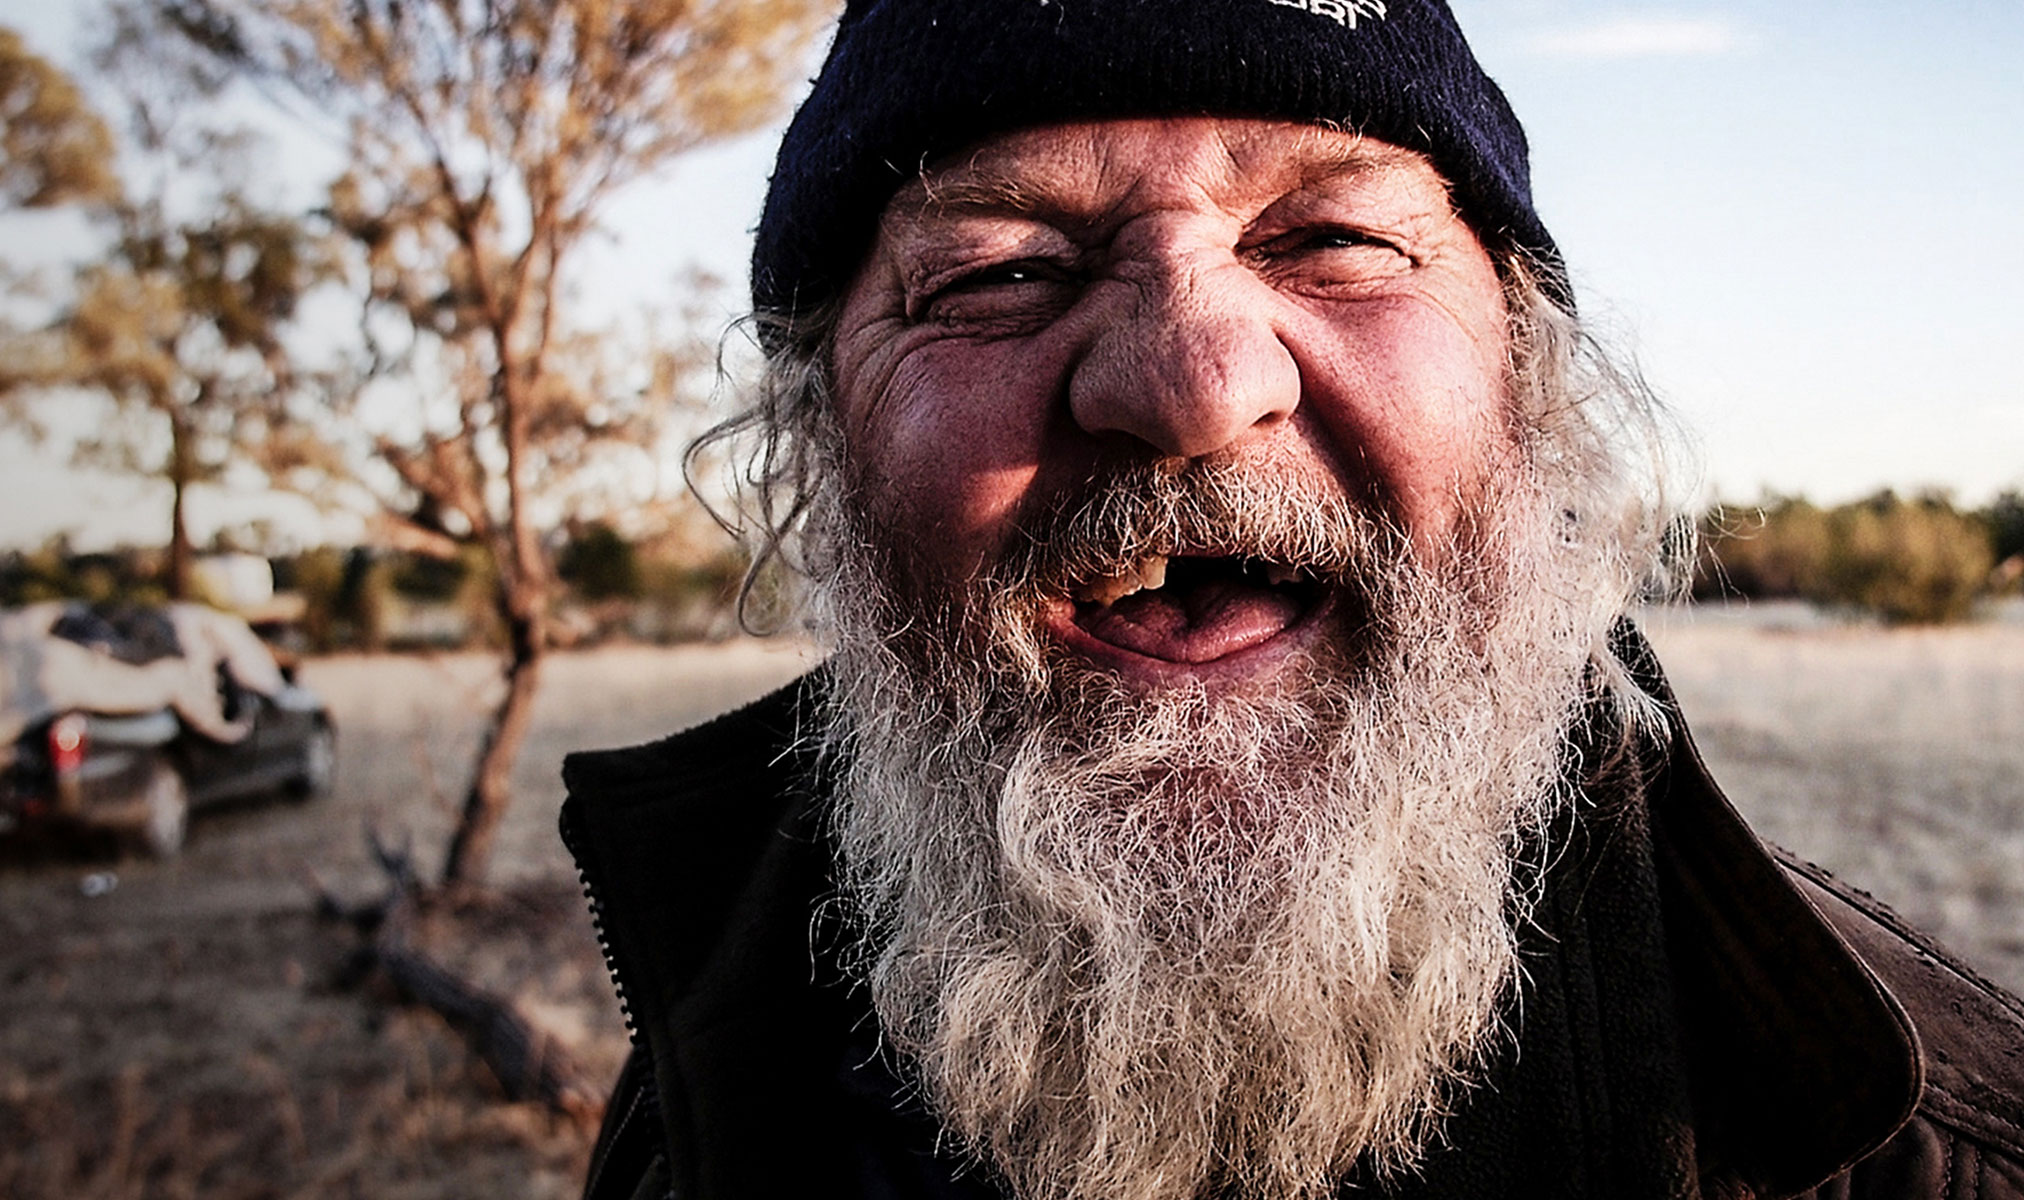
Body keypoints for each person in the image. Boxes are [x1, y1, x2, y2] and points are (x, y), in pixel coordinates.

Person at [559, 1, 2024, 1197]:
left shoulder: (1931, 1159)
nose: (1197, 382)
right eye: (1000, 273)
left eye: (1331, 243)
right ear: (828, 454)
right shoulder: (718, 1053)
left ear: (1529, 388)